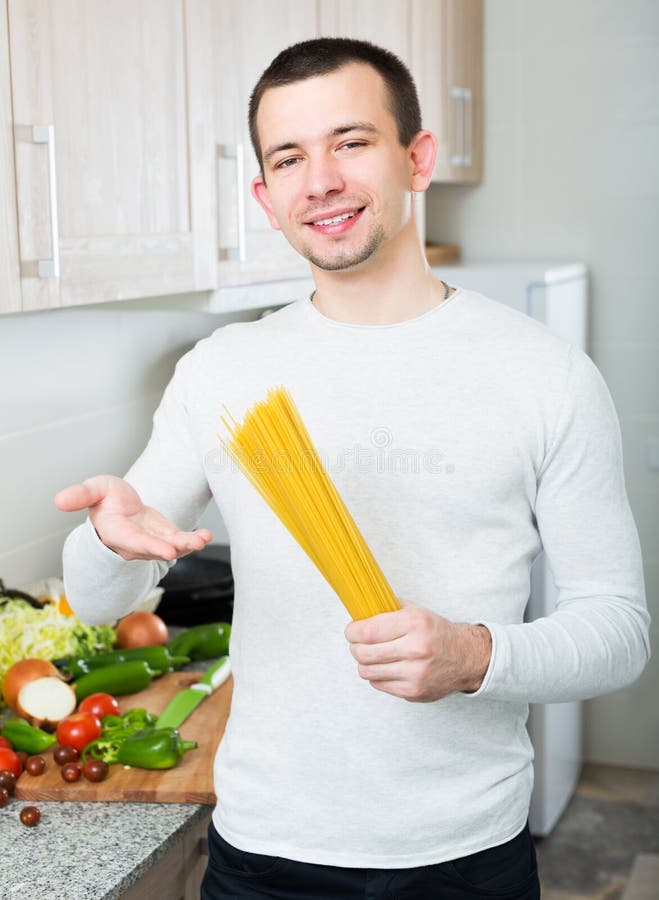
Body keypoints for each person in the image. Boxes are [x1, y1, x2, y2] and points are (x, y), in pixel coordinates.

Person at [55, 38, 650, 900]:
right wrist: (109, 545)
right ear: (265, 196)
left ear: (417, 157)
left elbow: (619, 633)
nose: (320, 179)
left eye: (350, 142)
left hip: (466, 854)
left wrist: (474, 656)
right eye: (289, 157)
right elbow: (100, 603)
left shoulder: (544, 372)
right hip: (265, 851)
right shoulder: (224, 369)